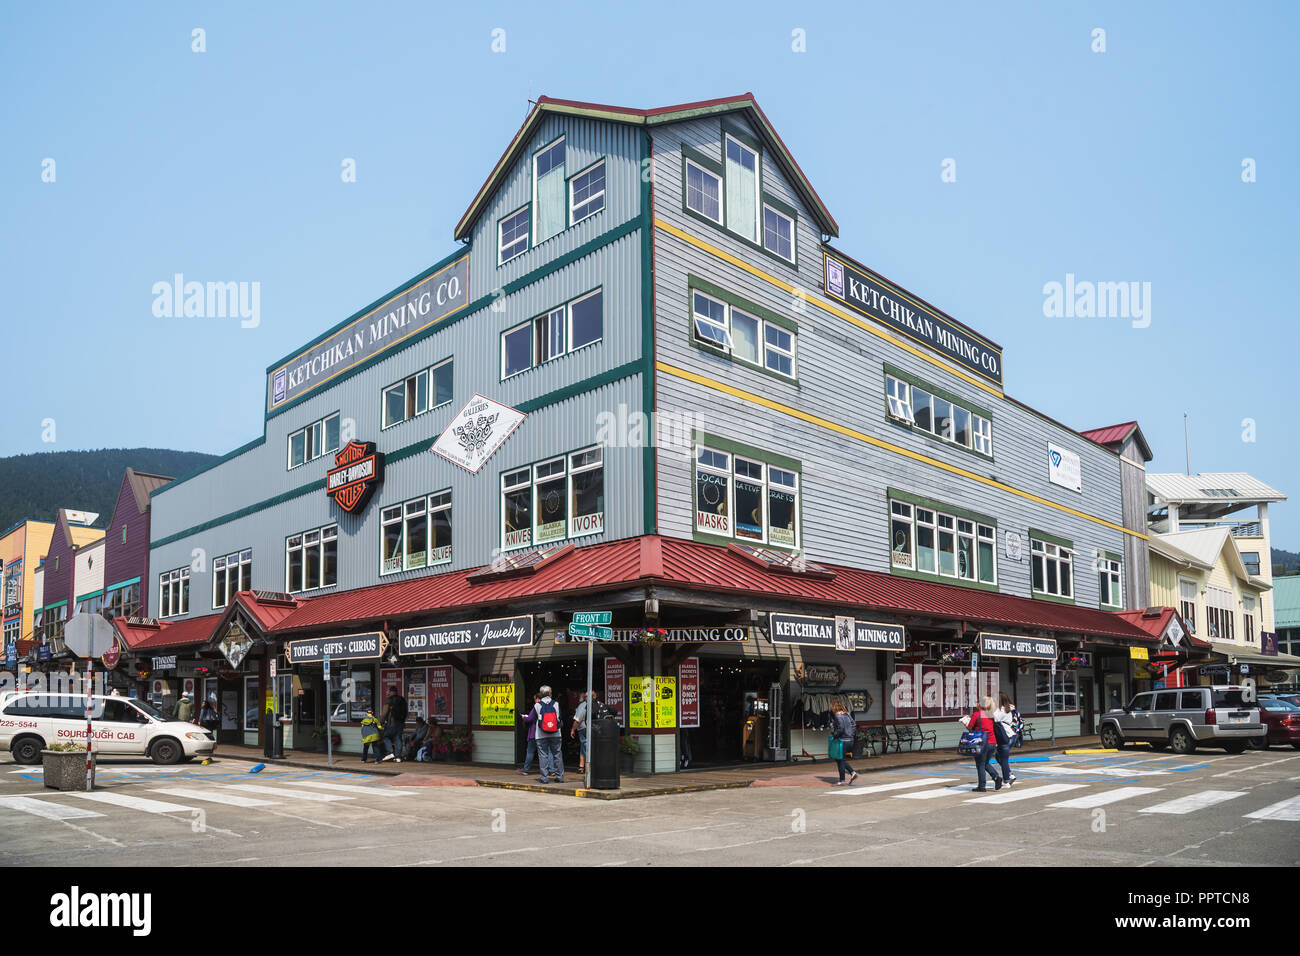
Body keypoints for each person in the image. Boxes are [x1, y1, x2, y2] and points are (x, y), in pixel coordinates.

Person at [961, 696, 1002, 791]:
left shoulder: (977, 714)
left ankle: (982, 786)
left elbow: (970, 728)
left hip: (981, 742)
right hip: (992, 742)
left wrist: (965, 722)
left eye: (977, 702)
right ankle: (996, 777)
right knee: (985, 763)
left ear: (981, 704)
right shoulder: (991, 715)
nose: (976, 704)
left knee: (980, 764)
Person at [531, 685, 564, 784]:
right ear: (550, 694)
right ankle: (560, 776)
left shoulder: (537, 705)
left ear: (540, 694)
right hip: (556, 734)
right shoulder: (556, 704)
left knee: (543, 755)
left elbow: (534, 720)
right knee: (557, 754)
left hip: (541, 735)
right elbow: (560, 719)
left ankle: (545, 778)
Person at [830, 699, 859, 786]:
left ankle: (843, 780)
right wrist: (850, 733)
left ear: (834, 707)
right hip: (850, 740)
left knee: (839, 759)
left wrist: (834, 735)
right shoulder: (847, 714)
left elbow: (841, 728)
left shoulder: (837, 716)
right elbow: (854, 724)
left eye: (831, 706)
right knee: (840, 759)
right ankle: (852, 773)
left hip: (842, 740)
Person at [993, 692, 1018, 787]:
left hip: (1004, 736)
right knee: (999, 757)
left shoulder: (1000, 710)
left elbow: (994, 719)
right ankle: (1010, 775)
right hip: (1012, 735)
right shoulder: (1009, 709)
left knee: (1003, 759)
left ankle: (1006, 780)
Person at [381, 688, 408, 762]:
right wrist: (403, 721)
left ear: (391, 692)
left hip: (391, 722)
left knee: (385, 736)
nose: (387, 692)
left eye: (388, 691)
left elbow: (384, 713)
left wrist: (381, 722)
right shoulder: (402, 700)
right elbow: (406, 712)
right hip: (401, 723)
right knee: (398, 738)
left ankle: (390, 752)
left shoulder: (389, 700)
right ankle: (398, 757)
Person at [518, 693, 541, 775]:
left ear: (538, 699)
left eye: (535, 699)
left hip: (534, 732)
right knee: (545, 752)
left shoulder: (536, 706)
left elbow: (529, 719)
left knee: (530, 751)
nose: (534, 701)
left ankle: (526, 769)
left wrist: (524, 717)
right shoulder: (547, 706)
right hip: (544, 733)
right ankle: (549, 770)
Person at [571, 691, 591, 775]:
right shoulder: (596, 704)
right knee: (584, 746)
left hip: (584, 728)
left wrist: (572, 730)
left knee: (585, 746)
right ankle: (582, 766)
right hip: (593, 728)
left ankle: (587, 767)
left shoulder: (583, 706)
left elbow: (577, 720)